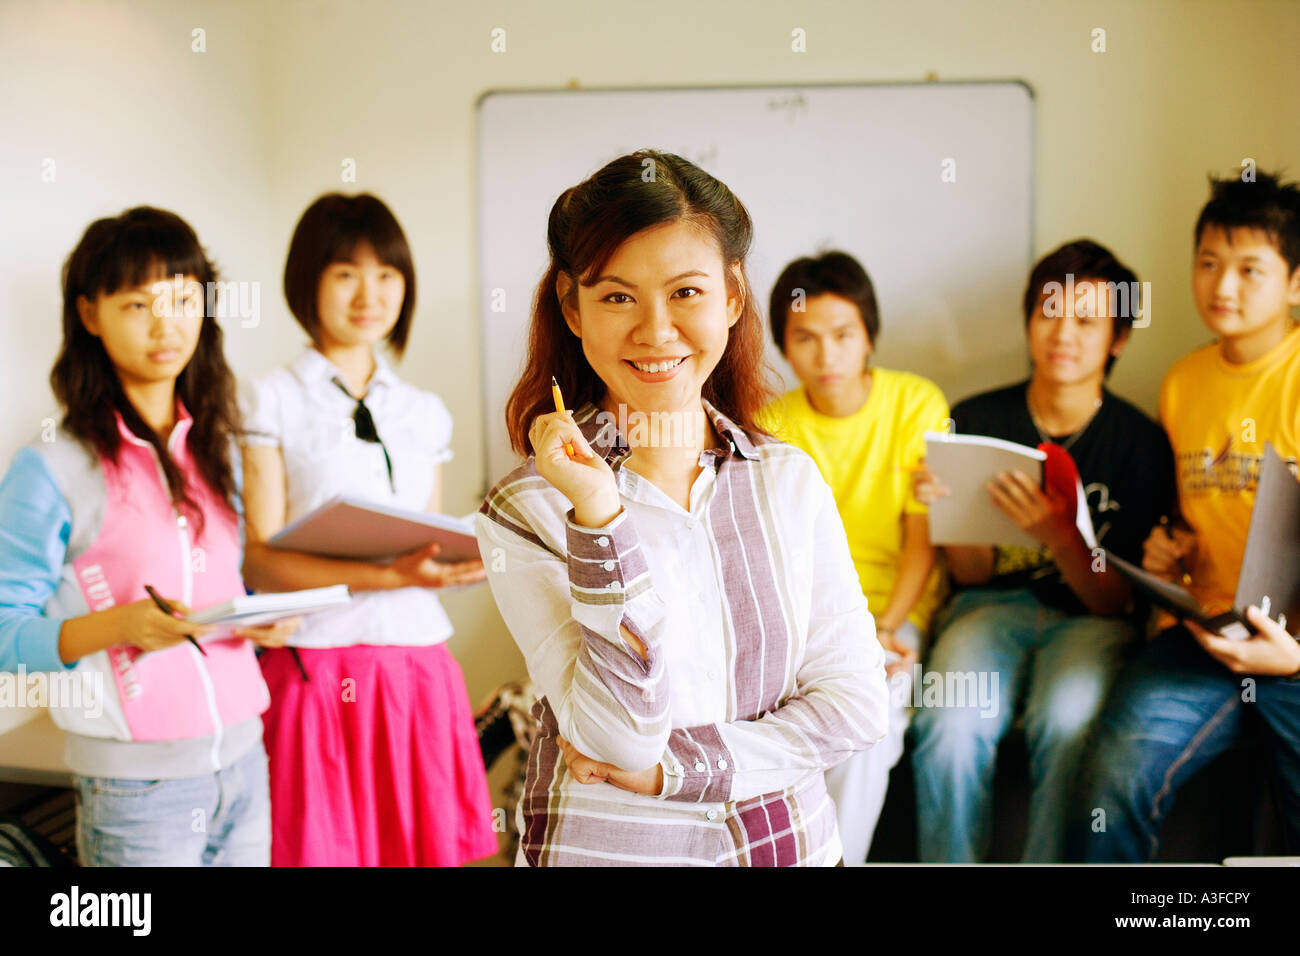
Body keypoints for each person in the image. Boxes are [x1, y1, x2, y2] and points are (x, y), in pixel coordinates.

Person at [475, 150, 889, 867]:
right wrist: (599, 517)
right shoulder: (527, 509)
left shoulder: (787, 480)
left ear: (732, 297)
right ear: (572, 309)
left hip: (790, 850)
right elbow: (619, 740)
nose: (656, 330)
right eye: (617, 297)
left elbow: (855, 708)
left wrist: (676, 771)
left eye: (686, 293)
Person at [0, 207, 298, 866]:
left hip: (246, 759)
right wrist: (121, 624)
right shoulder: (51, 467)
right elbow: (5, 636)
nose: (166, 324)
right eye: (137, 303)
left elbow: (215, 591)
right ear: (89, 314)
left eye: (183, 298)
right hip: (135, 788)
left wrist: (252, 620)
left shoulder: (214, 449)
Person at [239, 193, 497, 866]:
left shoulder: (424, 412)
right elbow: (260, 564)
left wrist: (457, 565)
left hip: (416, 664)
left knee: (419, 852)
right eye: (346, 273)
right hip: (315, 665)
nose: (369, 294)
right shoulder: (270, 397)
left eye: (387, 274)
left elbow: (423, 542)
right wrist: (389, 575)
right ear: (309, 281)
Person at [909, 239, 1175, 862]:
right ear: (1029, 319)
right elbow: (971, 575)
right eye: (1048, 313)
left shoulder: (1139, 444)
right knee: (950, 725)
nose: (1064, 334)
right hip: (986, 608)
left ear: (1118, 339)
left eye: (1086, 321)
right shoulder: (973, 417)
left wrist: (1061, 536)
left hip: (1089, 623)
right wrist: (951, 514)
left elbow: (1115, 606)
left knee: (1068, 723)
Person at [1081, 171, 1300, 862]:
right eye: (1208, 264)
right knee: (1110, 781)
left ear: (1295, 282)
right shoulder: (1183, 380)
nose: (1222, 286)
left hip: (1296, 648)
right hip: (1206, 634)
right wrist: (1164, 557)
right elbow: (1187, 517)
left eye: (1248, 269)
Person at [758, 250, 949, 863]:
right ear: (785, 348)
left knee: (870, 732)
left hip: (894, 613)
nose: (826, 355)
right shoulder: (768, 423)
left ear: (869, 337)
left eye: (843, 336)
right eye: (805, 339)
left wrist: (886, 629)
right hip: (804, 619)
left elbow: (922, 541)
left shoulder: (916, 403)